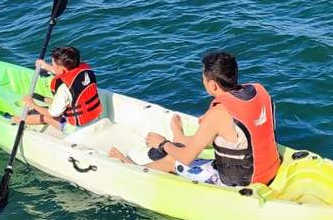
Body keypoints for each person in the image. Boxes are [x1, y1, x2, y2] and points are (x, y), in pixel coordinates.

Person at [109, 51, 280, 187]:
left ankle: (131, 167)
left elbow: (186, 157)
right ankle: (178, 138)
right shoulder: (259, 90)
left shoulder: (219, 113)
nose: (203, 81)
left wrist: (162, 144)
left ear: (212, 84)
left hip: (242, 181)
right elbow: (232, 139)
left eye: (204, 79)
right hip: (270, 169)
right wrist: (180, 136)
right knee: (181, 146)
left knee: (172, 160)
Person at [14, 46, 103, 132]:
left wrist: (32, 104)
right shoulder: (86, 71)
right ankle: (47, 102)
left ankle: (16, 120)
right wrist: (45, 66)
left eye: (53, 65)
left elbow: (52, 114)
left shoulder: (63, 87)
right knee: (60, 101)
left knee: (46, 117)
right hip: (96, 117)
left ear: (62, 69)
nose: (52, 66)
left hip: (77, 129)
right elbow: (66, 72)